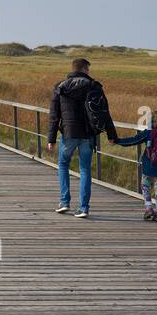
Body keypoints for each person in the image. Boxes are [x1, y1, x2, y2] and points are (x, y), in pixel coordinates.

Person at [46, 58, 118, 218]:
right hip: (88, 134)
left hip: (69, 134)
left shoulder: (60, 87)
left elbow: (54, 115)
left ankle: (64, 202)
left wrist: (51, 138)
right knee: (85, 169)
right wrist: (111, 135)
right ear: (85, 69)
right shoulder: (94, 86)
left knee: (63, 164)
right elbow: (105, 112)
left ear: (73, 69)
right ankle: (84, 207)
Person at [114, 110, 157, 221]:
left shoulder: (148, 133)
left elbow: (133, 140)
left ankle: (149, 208)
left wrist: (117, 141)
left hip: (149, 164)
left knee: (145, 185)